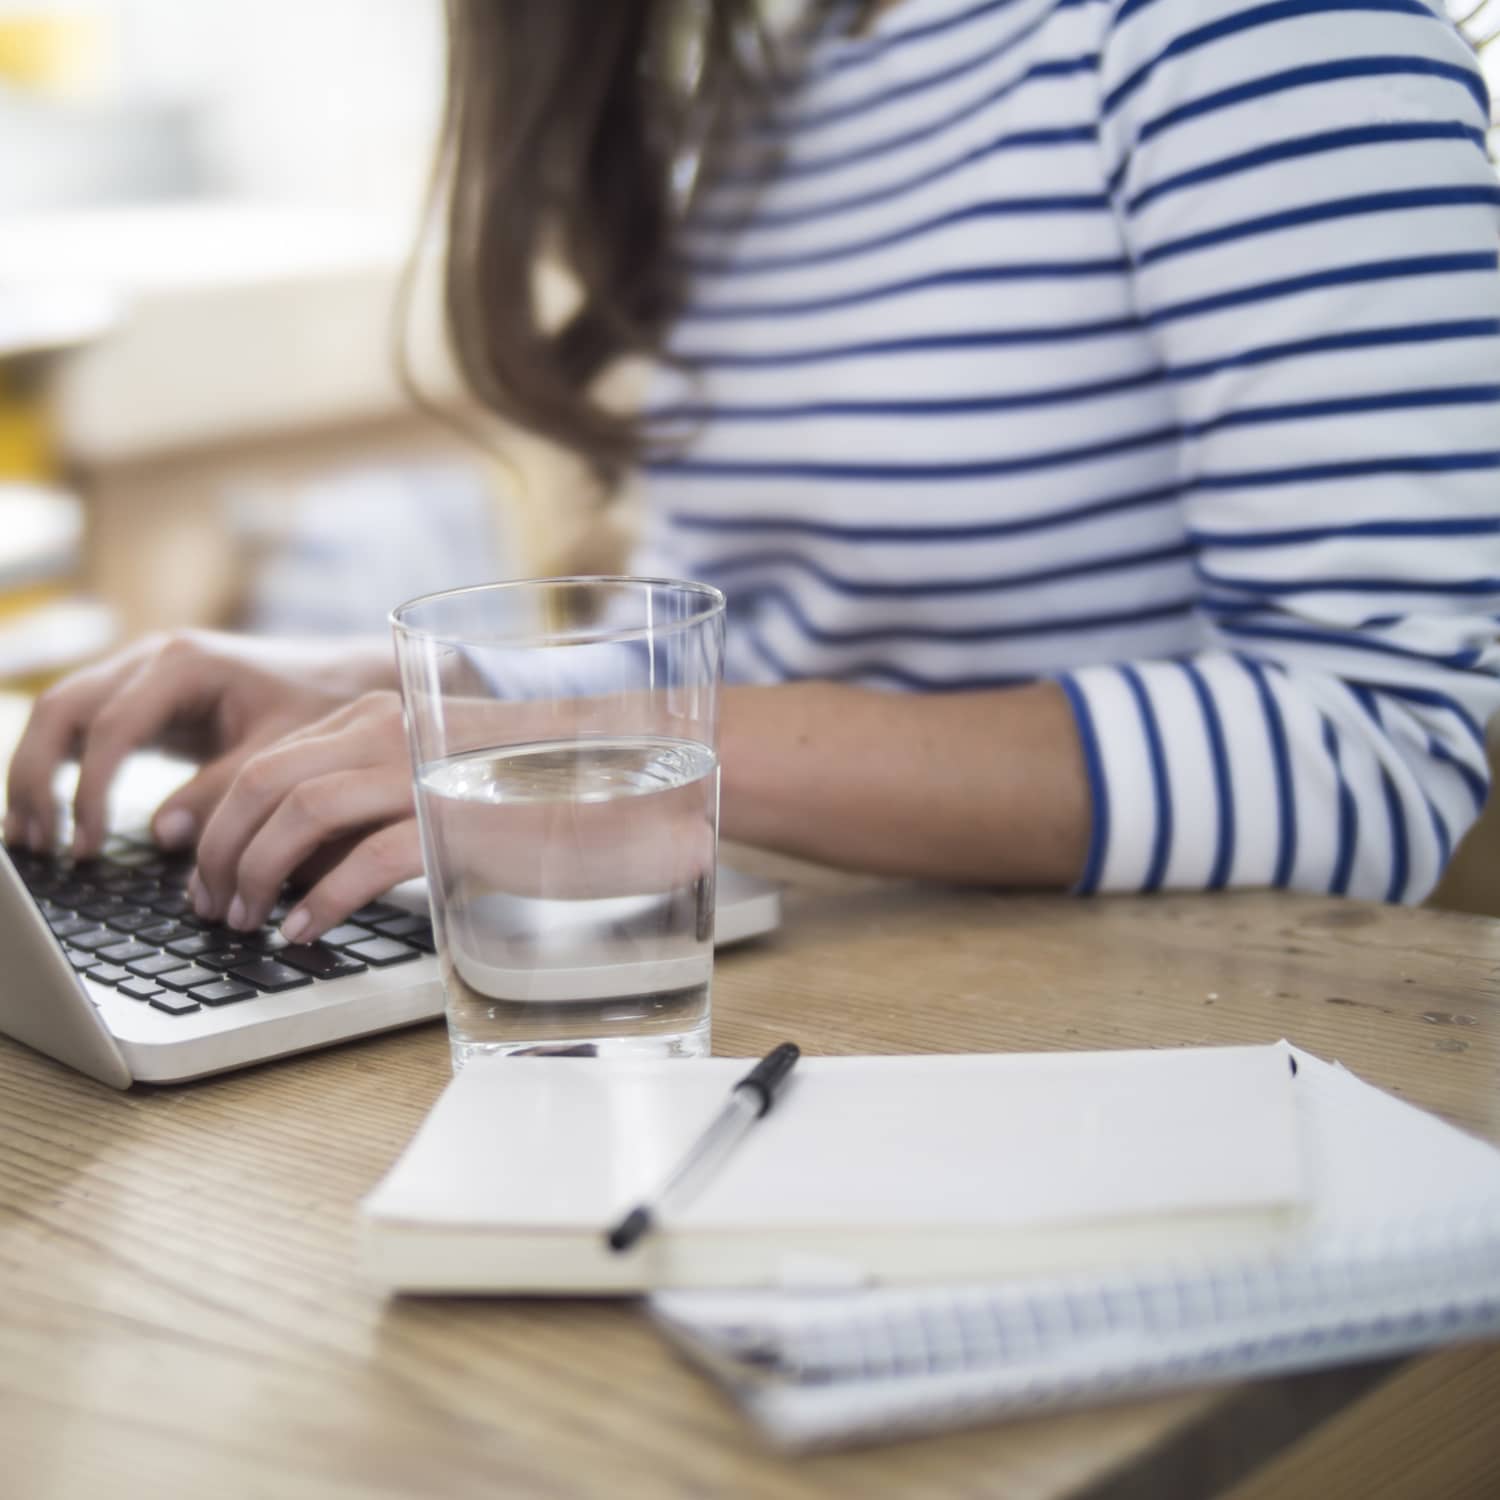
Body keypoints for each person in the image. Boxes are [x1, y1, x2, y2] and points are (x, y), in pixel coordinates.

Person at [6, 0, 1499, 948]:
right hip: (847, 988)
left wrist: (597, 751)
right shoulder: (782, 81)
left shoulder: (1259, 31)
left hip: (1185, 1045)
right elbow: (801, 665)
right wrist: (428, 700)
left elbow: (1376, 748)